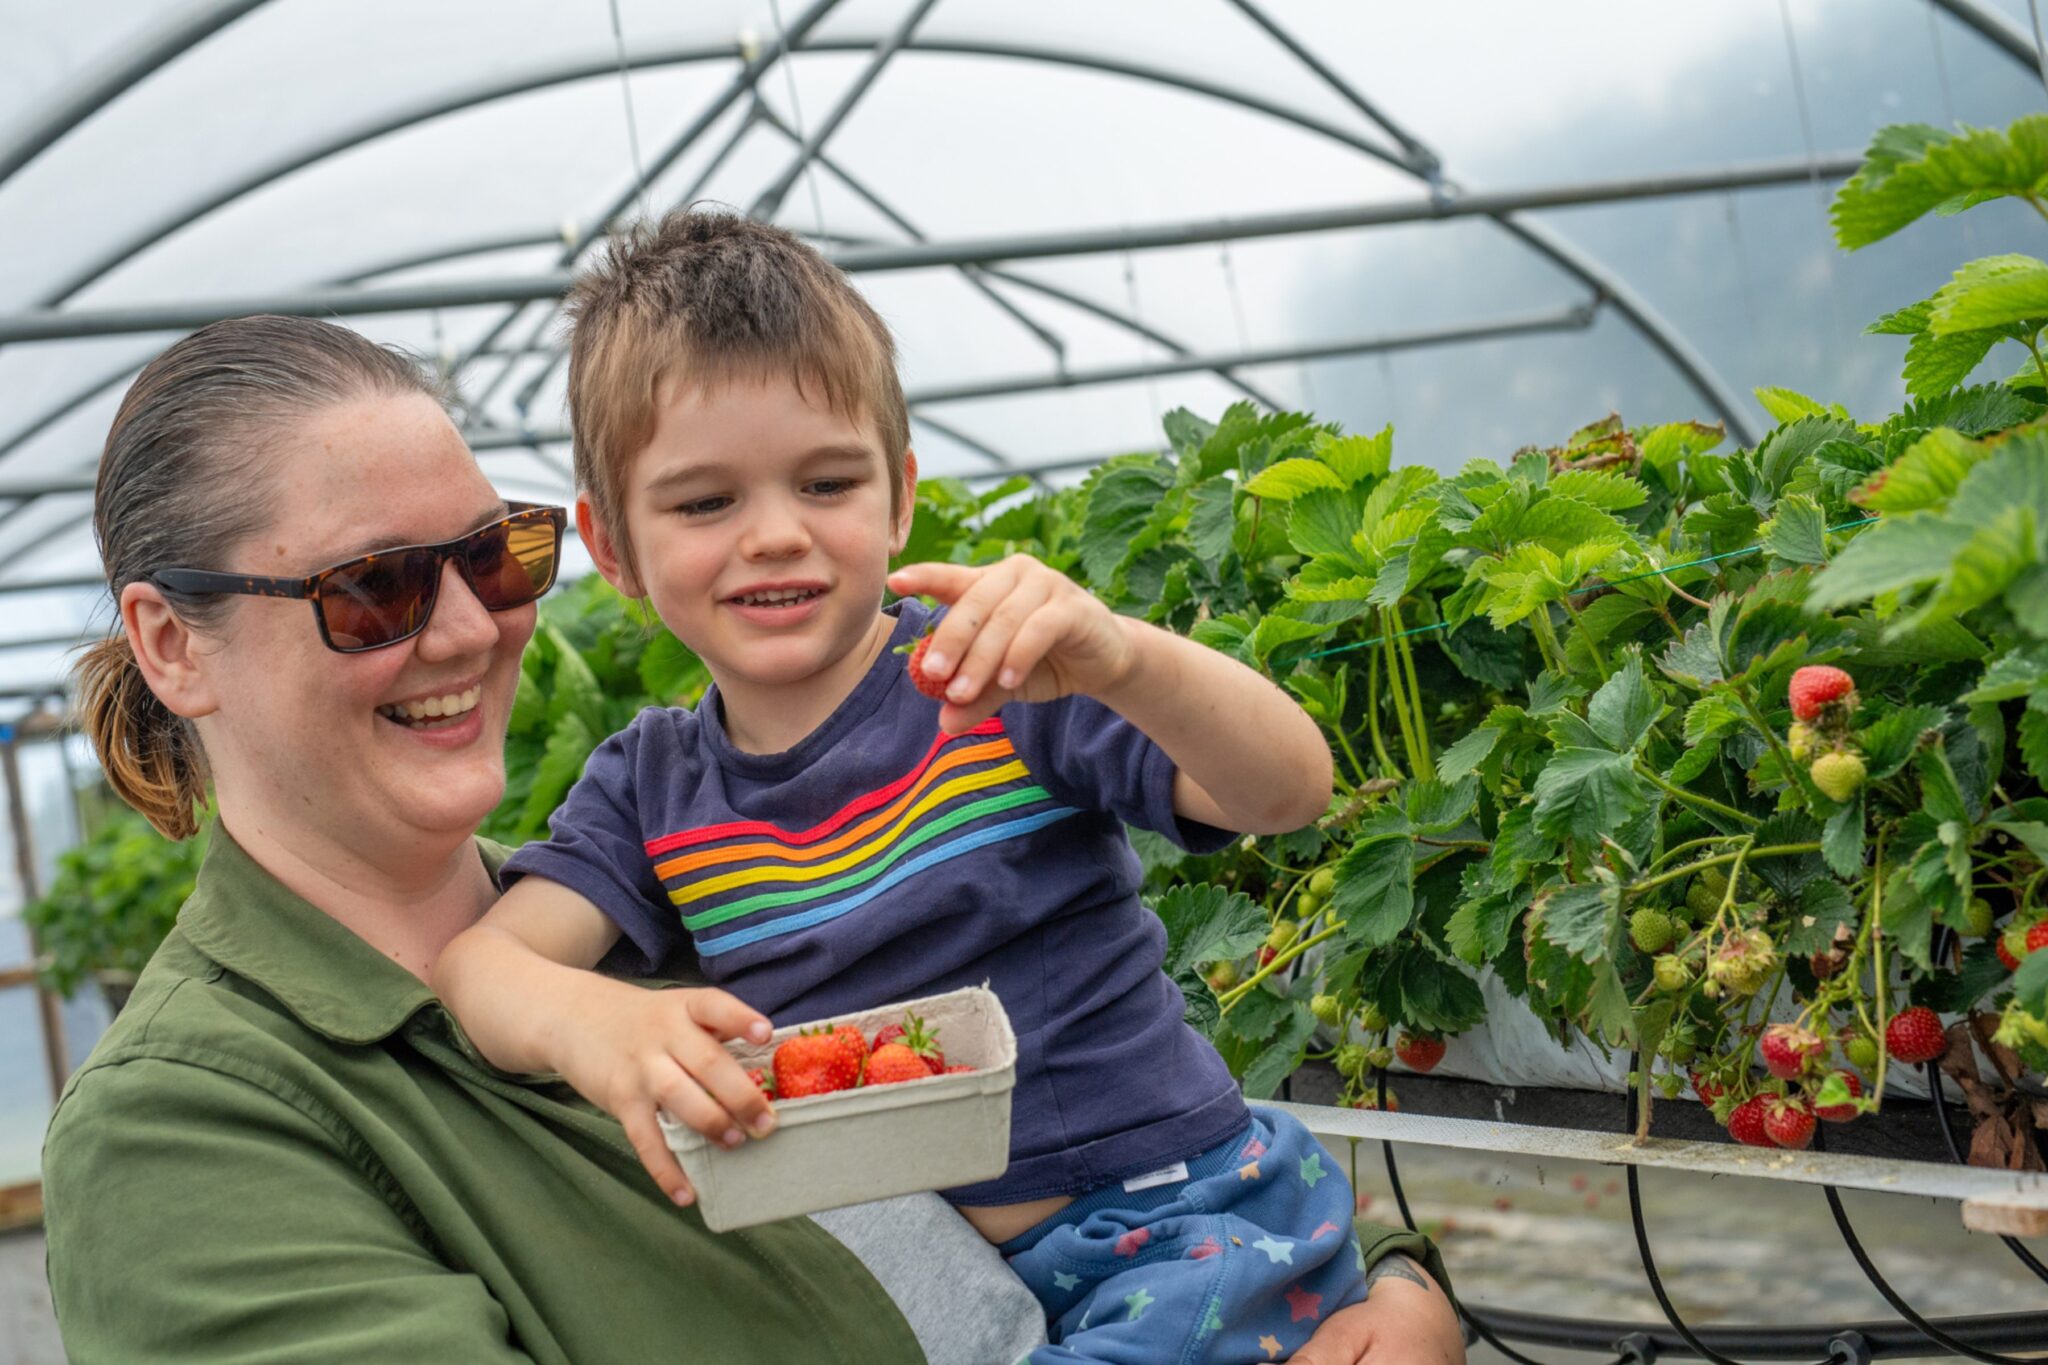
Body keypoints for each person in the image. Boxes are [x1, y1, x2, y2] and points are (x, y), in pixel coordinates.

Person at [39, 313, 1462, 1364]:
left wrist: (1395, 1296)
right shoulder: (192, 1132)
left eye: (491, 555)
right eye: (372, 589)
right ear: (173, 644)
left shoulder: (685, 916)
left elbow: (1140, 1158)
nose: (470, 629)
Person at [431, 211, 1454, 1363]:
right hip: (956, 1282)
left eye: (825, 482)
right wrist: (592, 1017)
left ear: (899, 495)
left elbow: (1285, 790)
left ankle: (1401, 1305)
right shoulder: (650, 789)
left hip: (1178, 1226)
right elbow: (479, 966)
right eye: (704, 503)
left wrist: (1123, 657)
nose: (774, 535)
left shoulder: (993, 679)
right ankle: (1405, 1307)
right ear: (610, 548)